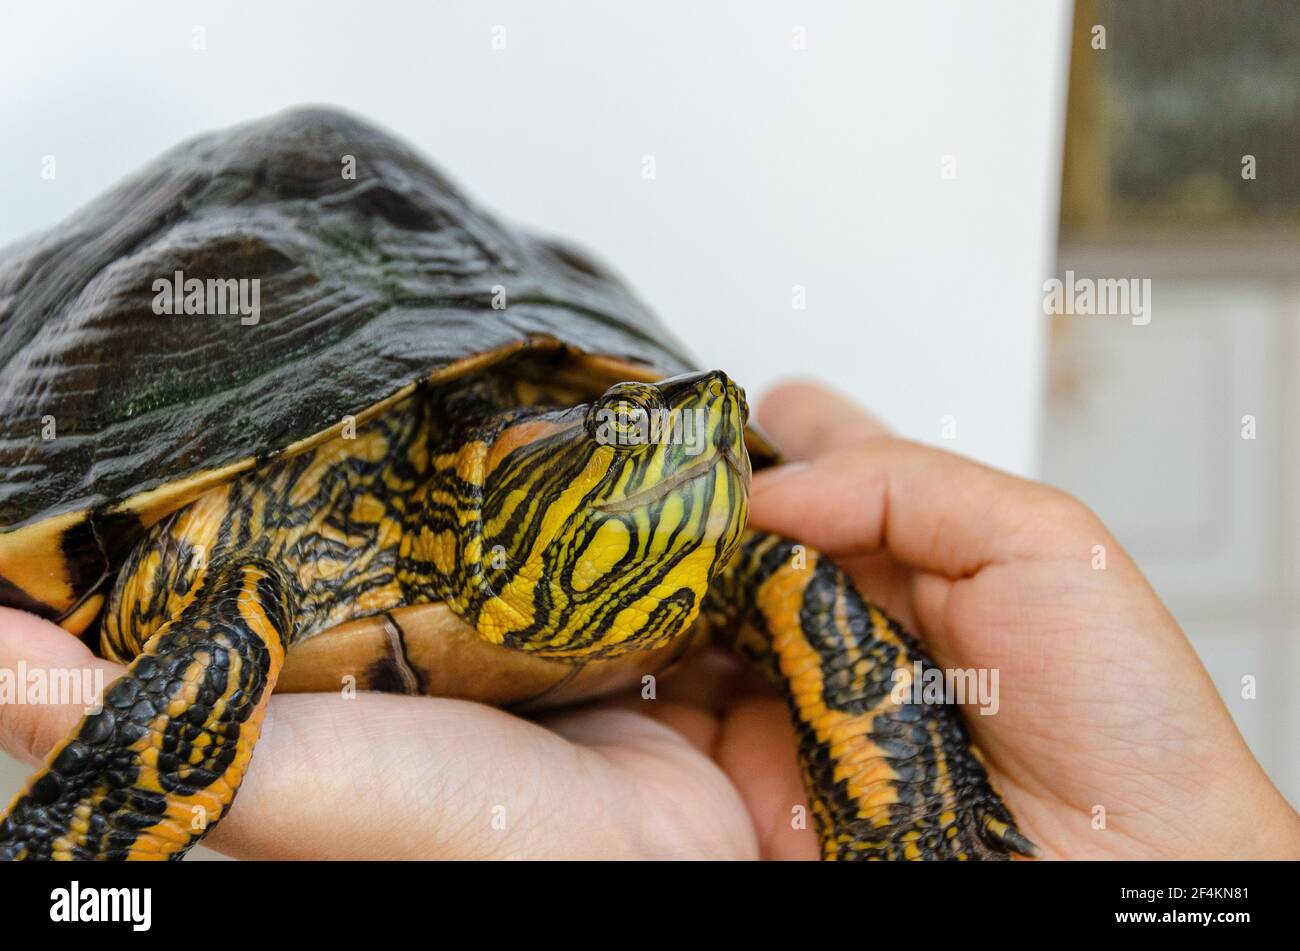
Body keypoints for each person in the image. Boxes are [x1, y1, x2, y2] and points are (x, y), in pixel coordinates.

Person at [1, 382, 1296, 860]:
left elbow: (774, 552)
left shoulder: (738, 545)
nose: (696, 462)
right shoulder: (308, 524)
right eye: (633, 445)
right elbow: (219, 608)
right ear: (499, 474)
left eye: (701, 448)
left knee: (793, 568)